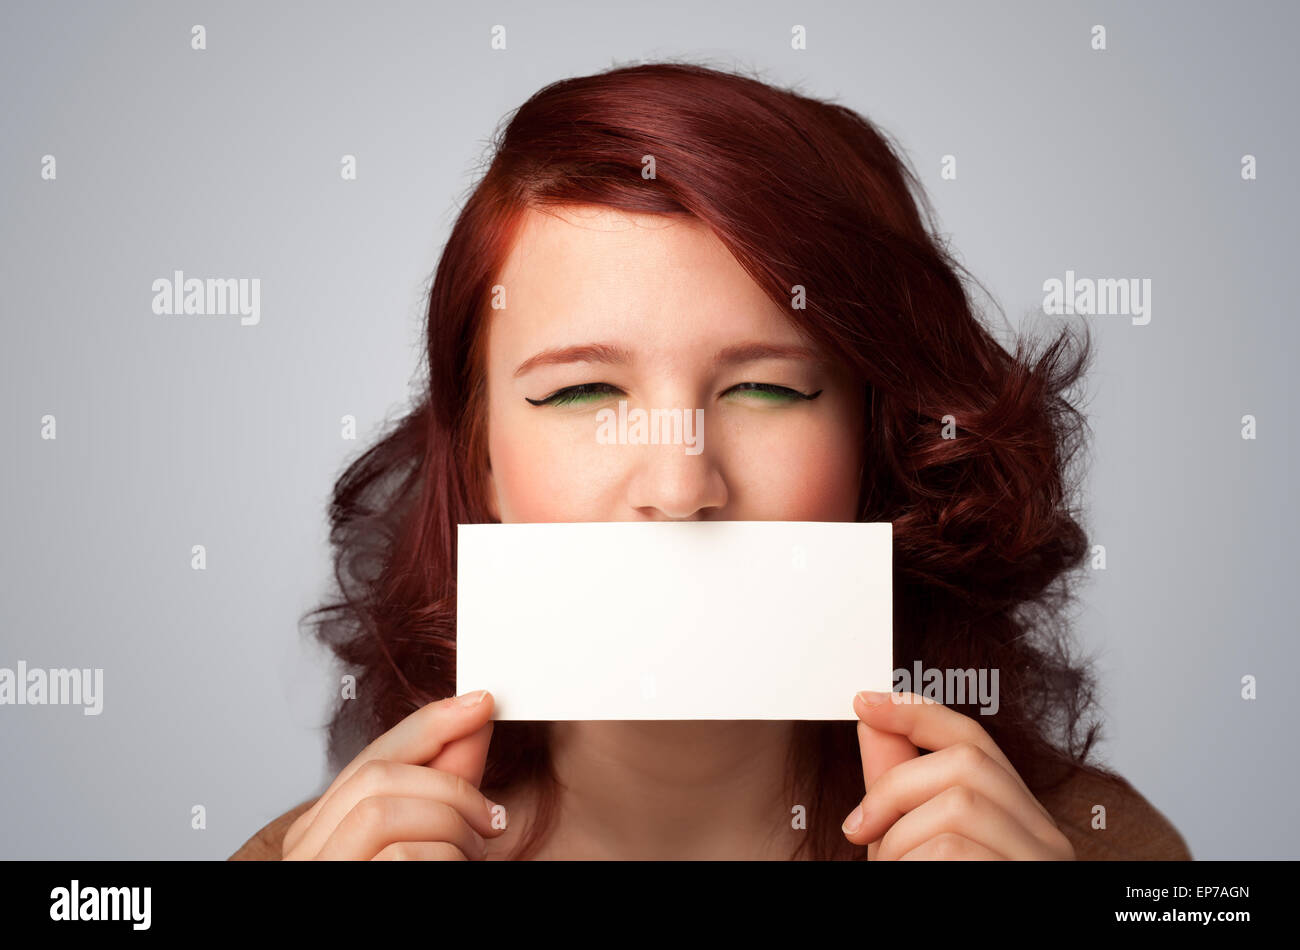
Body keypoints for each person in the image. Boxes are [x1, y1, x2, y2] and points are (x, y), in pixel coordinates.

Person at [231, 62, 1190, 861]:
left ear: (877, 438)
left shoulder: (1098, 854)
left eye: (766, 388)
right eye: (580, 394)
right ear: (480, 461)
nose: (681, 486)